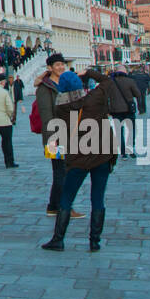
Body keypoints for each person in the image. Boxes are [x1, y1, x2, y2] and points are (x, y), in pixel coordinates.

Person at [40, 69, 116, 251]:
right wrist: (89, 73)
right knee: (98, 198)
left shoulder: (61, 108)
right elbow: (108, 81)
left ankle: (58, 239)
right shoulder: (95, 99)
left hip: (77, 158)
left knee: (67, 197)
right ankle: (94, 241)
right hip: (101, 155)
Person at [34, 54, 83, 219]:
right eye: (57, 65)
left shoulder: (67, 84)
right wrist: (51, 140)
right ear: (50, 68)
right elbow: (46, 115)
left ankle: (53, 206)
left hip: (70, 134)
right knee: (63, 172)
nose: (61, 67)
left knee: (62, 172)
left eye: (62, 64)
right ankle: (65, 208)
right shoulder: (45, 88)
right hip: (55, 135)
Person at [107, 64, 140, 159]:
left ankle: (122, 152)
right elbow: (137, 94)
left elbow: (106, 96)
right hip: (129, 110)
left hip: (115, 110)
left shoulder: (110, 82)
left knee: (119, 131)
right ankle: (130, 149)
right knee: (131, 129)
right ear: (125, 72)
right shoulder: (130, 81)